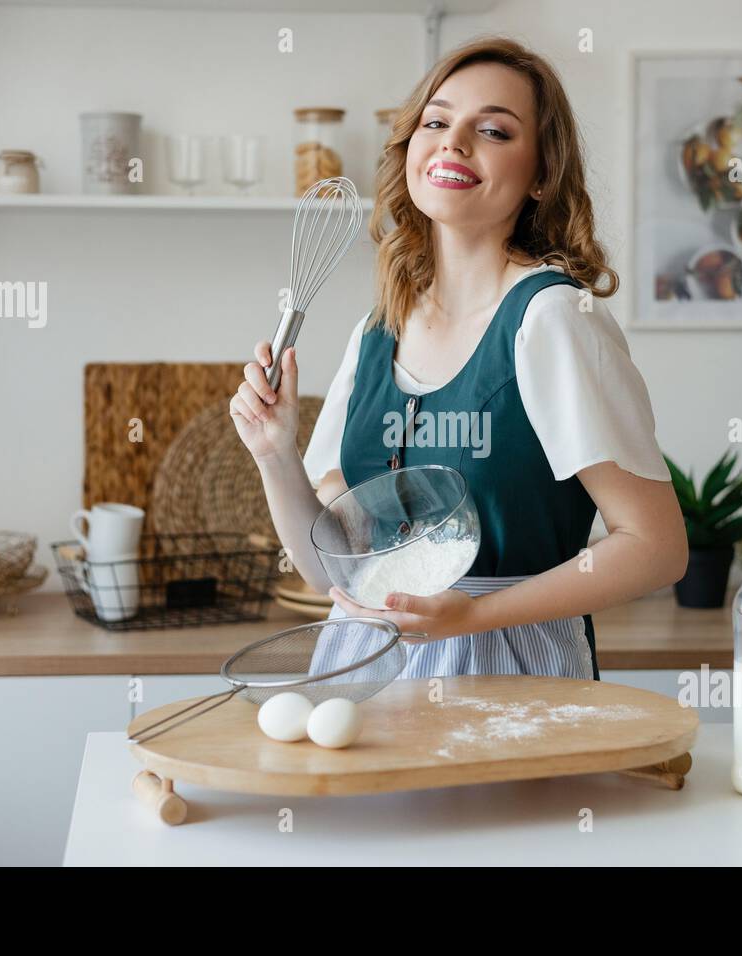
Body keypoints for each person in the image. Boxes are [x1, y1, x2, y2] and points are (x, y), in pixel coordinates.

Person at [230, 36, 687, 681]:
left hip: (510, 668)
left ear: (541, 175)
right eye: (436, 122)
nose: (453, 141)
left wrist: (472, 616)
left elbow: (656, 548)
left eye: (494, 130)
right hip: (365, 668)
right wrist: (274, 452)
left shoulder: (551, 318)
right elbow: (332, 567)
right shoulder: (377, 331)